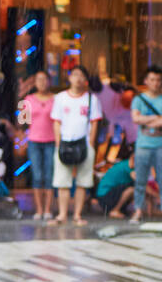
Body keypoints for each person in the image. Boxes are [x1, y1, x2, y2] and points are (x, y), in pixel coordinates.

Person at [49, 65, 102, 226]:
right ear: (69, 77)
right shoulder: (60, 98)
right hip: (64, 142)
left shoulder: (92, 99)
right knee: (62, 181)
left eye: (81, 76)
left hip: (84, 143)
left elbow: (94, 124)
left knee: (83, 181)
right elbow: (56, 122)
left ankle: (77, 215)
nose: (78, 79)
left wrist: (91, 144)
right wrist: (58, 142)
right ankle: (62, 215)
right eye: (75, 75)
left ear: (85, 81)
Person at [130, 64, 162, 225]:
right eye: (152, 79)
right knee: (140, 179)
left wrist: (146, 119)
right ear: (146, 81)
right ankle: (137, 211)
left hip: (160, 144)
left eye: (158, 80)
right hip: (143, 145)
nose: (155, 83)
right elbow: (135, 119)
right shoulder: (138, 99)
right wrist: (155, 120)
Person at [19, 70, 57, 220]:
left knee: (49, 175)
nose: (42, 82)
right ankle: (39, 210)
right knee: (37, 175)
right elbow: (22, 123)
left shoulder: (56, 99)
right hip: (34, 141)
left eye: (44, 79)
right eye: (38, 80)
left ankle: (48, 209)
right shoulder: (28, 99)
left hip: (52, 140)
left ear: (49, 81)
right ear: (34, 83)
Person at [92, 144, 135, 217]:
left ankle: (120, 209)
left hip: (106, 195)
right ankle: (115, 210)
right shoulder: (127, 167)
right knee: (132, 189)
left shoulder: (129, 165)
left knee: (133, 187)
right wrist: (157, 196)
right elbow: (142, 184)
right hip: (105, 197)